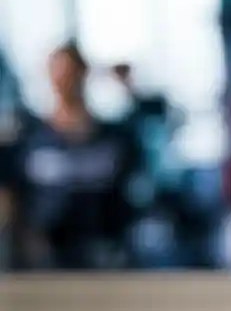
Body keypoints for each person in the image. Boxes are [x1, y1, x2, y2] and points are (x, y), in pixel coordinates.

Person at [13, 42, 139, 269]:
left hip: (103, 249)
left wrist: (126, 88)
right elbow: (15, 193)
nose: (65, 82)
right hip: (47, 252)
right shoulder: (31, 137)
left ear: (83, 74)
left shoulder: (113, 138)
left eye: (71, 73)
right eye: (59, 74)